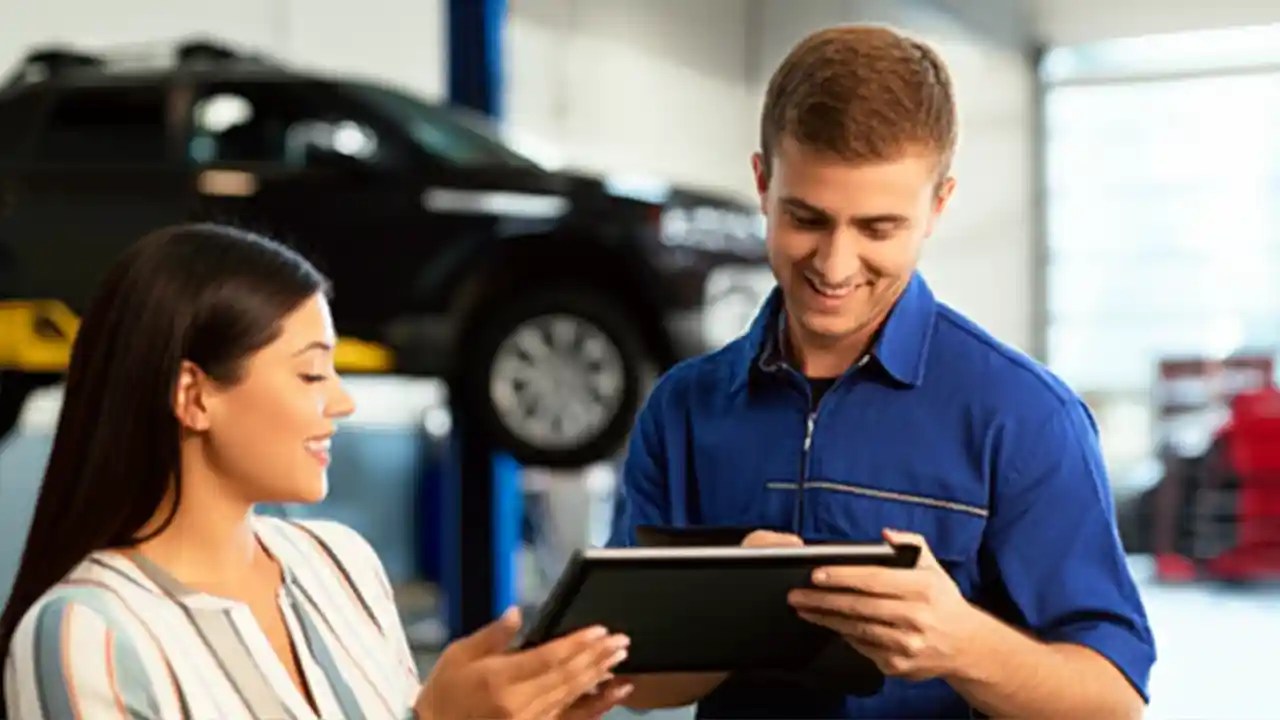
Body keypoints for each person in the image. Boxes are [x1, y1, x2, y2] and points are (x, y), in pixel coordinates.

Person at [607, 24, 1156, 719]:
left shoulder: (1025, 417)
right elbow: (634, 680)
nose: (834, 265)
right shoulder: (683, 410)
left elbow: (1112, 702)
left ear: (939, 205)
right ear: (761, 183)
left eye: (878, 229)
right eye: (806, 217)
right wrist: (732, 608)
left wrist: (962, 644)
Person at [0, 223, 633, 720]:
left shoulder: (340, 565)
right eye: (310, 373)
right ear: (193, 395)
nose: (342, 400)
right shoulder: (87, 635)